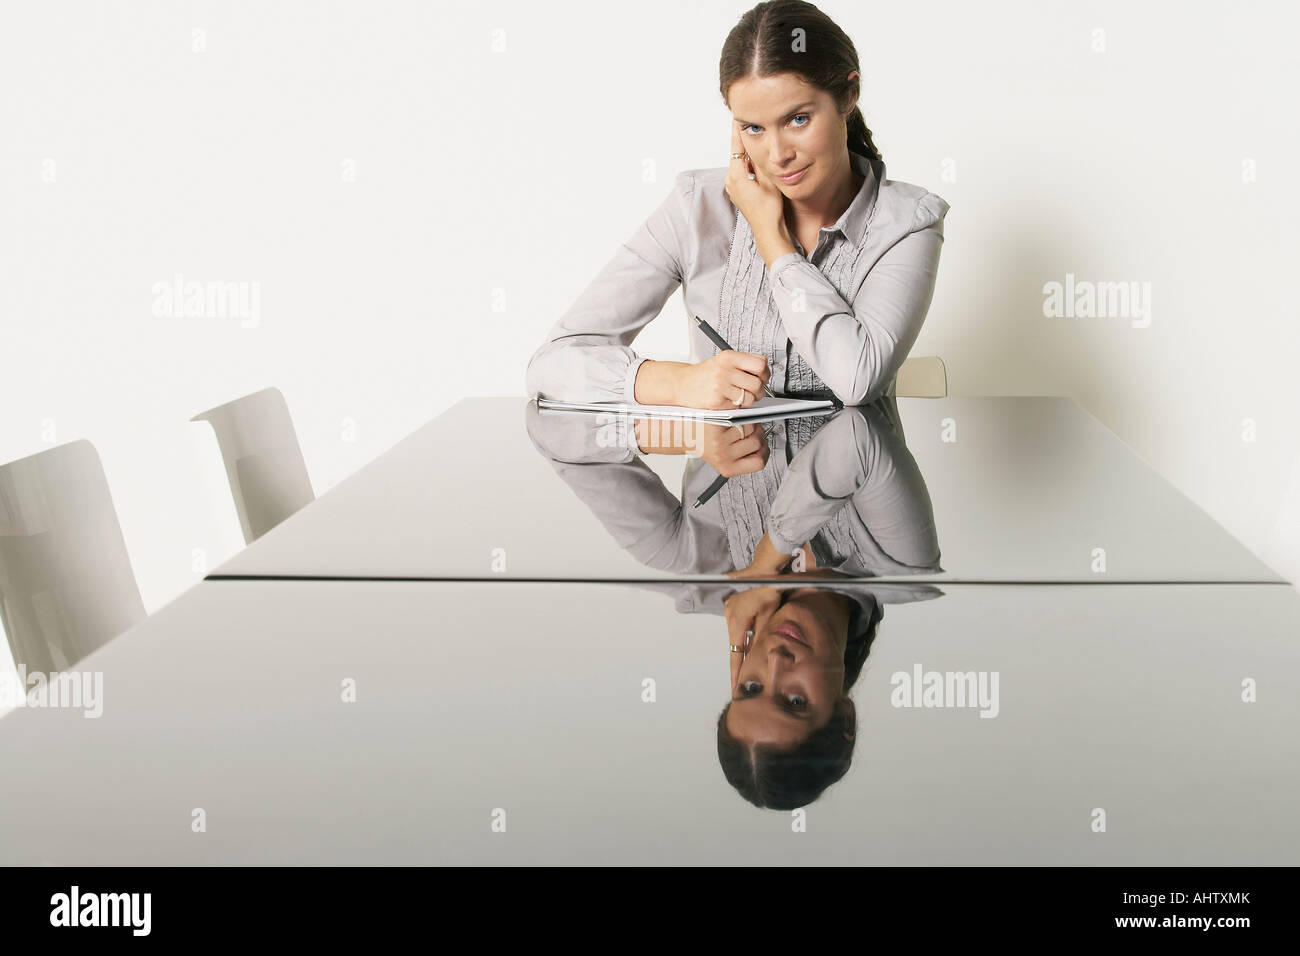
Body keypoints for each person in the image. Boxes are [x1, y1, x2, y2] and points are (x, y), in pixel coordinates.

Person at [525, 0, 951, 410]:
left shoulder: (908, 221)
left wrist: (771, 239)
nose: (777, 153)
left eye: (797, 119)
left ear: (848, 94)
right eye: (753, 127)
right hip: (727, 480)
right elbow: (550, 365)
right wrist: (679, 382)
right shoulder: (697, 207)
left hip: (857, 478)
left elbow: (857, 379)